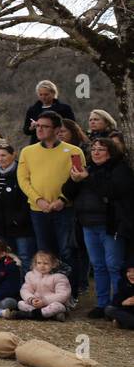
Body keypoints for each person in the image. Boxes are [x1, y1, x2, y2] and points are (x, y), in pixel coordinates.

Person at [62, 136, 133, 318]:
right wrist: (74, 180)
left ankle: (118, 304)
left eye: (101, 149)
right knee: (99, 266)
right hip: (88, 224)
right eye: (93, 149)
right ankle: (102, 304)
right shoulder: (88, 169)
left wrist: (87, 178)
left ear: (110, 152)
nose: (96, 152)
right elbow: (67, 192)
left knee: (114, 265)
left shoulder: (119, 169)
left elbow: (113, 191)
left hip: (111, 225)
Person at [17, 110, 85, 283]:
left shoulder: (74, 151)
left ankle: (70, 292)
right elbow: (23, 179)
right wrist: (38, 200)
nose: (39, 129)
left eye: (45, 126)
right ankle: (47, 291)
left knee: (67, 251)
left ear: (56, 130)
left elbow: (77, 180)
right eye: (38, 126)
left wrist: (62, 200)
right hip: (38, 210)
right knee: (45, 253)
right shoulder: (27, 151)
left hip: (65, 210)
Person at [0, 142, 35, 264]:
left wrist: (19, 219)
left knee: (24, 256)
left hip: (21, 226)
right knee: (7, 257)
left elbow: (27, 197)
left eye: (4, 155)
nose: (0, 159)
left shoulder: (21, 172)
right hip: (2, 226)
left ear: (13, 155)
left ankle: (26, 282)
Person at [14, 250, 72, 320]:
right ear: (35, 264)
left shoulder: (59, 277)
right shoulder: (30, 275)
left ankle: (31, 315)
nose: (42, 266)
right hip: (36, 304)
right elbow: (25, 290)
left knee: (57, 306)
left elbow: (63, 294)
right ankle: (47, 315)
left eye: (46, 263)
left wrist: (44, 301)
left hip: (51, 303)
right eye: (39, 263)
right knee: (21, 303)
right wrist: (32, 299)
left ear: (53, 264)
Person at [104, 261, 134, 328]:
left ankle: (122, 323)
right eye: (129, 271)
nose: (132, 274)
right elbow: (116, 299)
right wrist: (123, 302)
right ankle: (125, 322)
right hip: (127, 312)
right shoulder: (123, 283)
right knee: (109, 309)